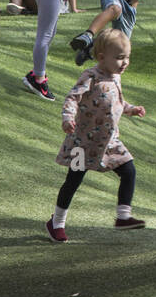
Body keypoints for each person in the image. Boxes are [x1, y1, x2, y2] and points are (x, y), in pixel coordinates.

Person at [45, 29, 147, 242]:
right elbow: (72, 98)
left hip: (110, 142)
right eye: (119, 58)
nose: (125, 62)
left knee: (129, 171)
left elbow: (116, 103)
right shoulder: (90, 77)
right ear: (101, 57)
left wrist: (131, 109)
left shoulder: (116, 77)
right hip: (83, 142)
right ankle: (57, 222)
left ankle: (123, 216)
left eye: (127, 57)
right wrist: (68, 118)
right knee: (73, 181)